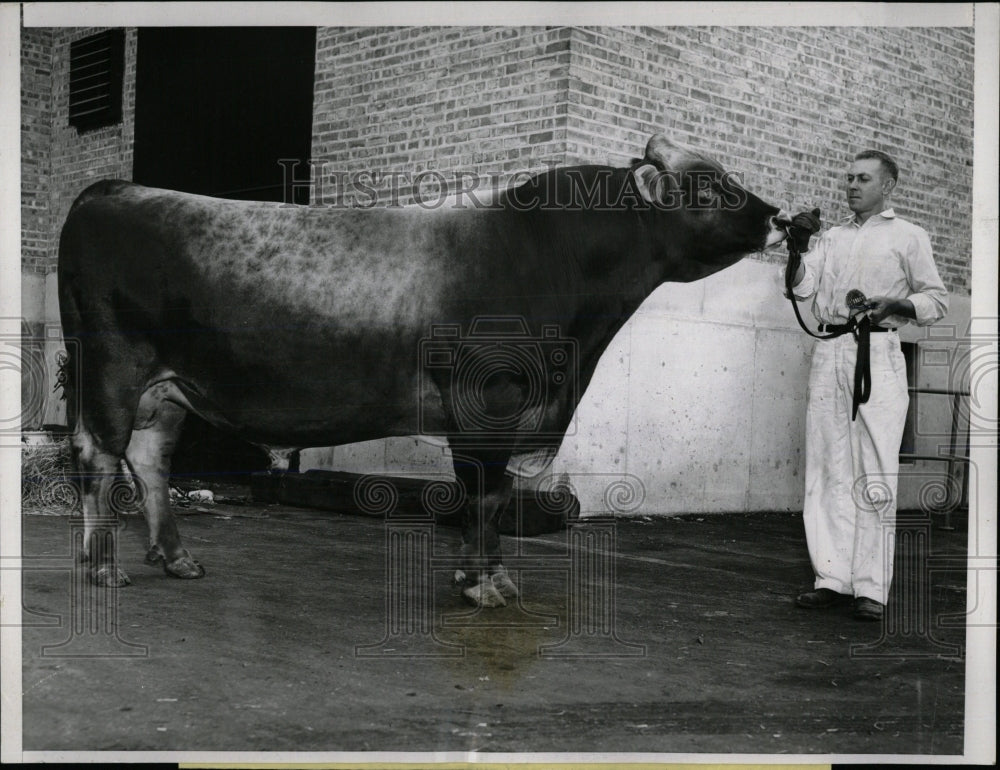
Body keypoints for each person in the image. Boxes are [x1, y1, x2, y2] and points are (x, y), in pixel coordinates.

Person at [784, 150, 949, 621]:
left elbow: (935, 300)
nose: (852, 185)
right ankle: (831, 578)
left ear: (888, 186)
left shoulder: (908, 236)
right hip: (831, 349)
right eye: (849, 178)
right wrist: (797, 248)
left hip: (877, 352)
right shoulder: (831, 237)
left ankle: (871, 588)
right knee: (826, 465)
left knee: (874, 469)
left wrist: (895, 303)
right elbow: (801, 289)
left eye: (863, 178)